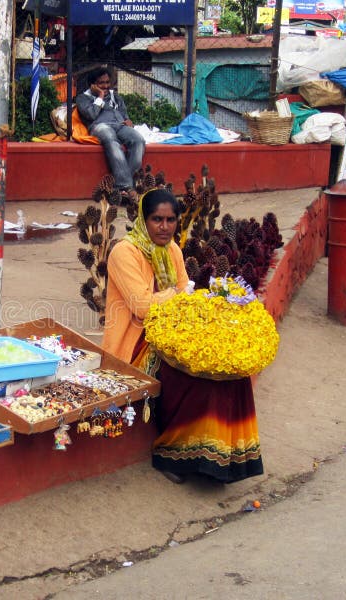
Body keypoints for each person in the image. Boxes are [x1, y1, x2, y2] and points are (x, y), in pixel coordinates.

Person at [103, 188, 264, 484]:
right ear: (143, 219)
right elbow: (142, 307)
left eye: (171, 220)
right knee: (188, 375)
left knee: (227, 368)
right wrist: (178, 294)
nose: (164, 227)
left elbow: (183, 297)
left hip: (173, 329)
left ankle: (222, 458)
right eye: (156, 219)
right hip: (137, 340)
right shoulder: (124, 253)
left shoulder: (173, 249)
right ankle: (171, 454)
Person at [76, 67, 145, 198]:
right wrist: (100, 97)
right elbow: (91, 114)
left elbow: (124, 113)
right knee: (111, 140)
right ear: (93, 84)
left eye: (108, 82)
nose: (106, 86)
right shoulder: (83, 98)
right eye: (101, 83)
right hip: (100, 127)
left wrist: (128, 120)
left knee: (138, 140)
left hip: (120, 126)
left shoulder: (115, 97)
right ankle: (126, 187)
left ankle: (123, 189)